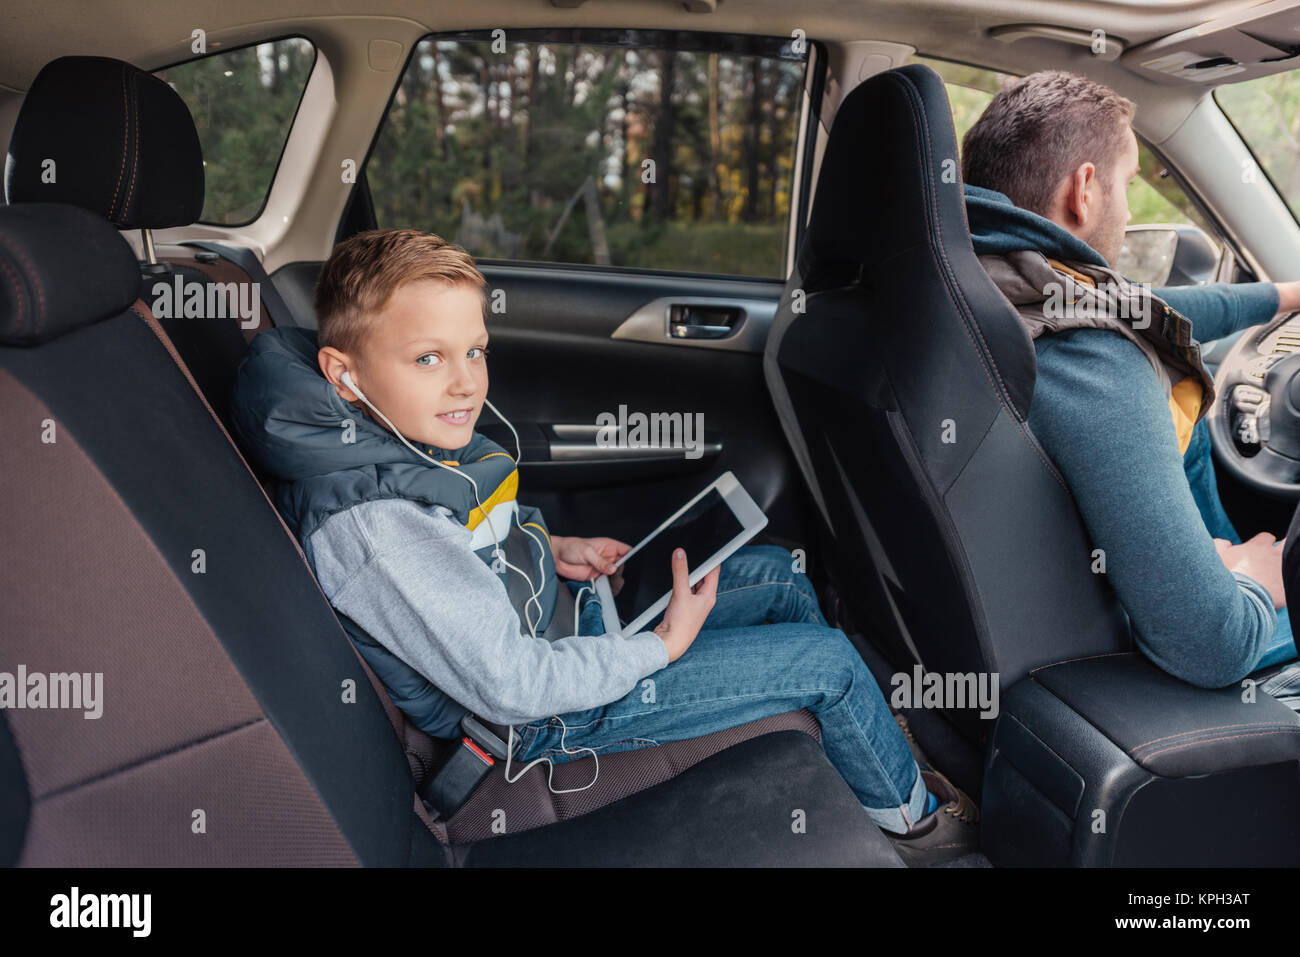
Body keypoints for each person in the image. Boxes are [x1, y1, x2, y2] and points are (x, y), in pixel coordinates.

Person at [229, 227, 979, 864]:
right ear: (344, 375)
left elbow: (468, 554)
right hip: (547, 716)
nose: (466, 384)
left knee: (776, 573)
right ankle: (919, 828)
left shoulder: (392, 436)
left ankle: (867, 756)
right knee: (831, 665)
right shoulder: (377, 523)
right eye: (428, 358)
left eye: (475, 351)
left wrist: (552, 549)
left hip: (563, 630)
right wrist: (658, 647)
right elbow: (510, 683)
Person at [959, 69, 1300, 700]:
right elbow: (1212, 644)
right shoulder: (1093, 359)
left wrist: (1281, 296)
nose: (1128, 209)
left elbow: (1146, 307)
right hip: (1117, 656)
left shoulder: (977, 296)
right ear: (1085, 192)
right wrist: (1252, 577)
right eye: (1127, 184)